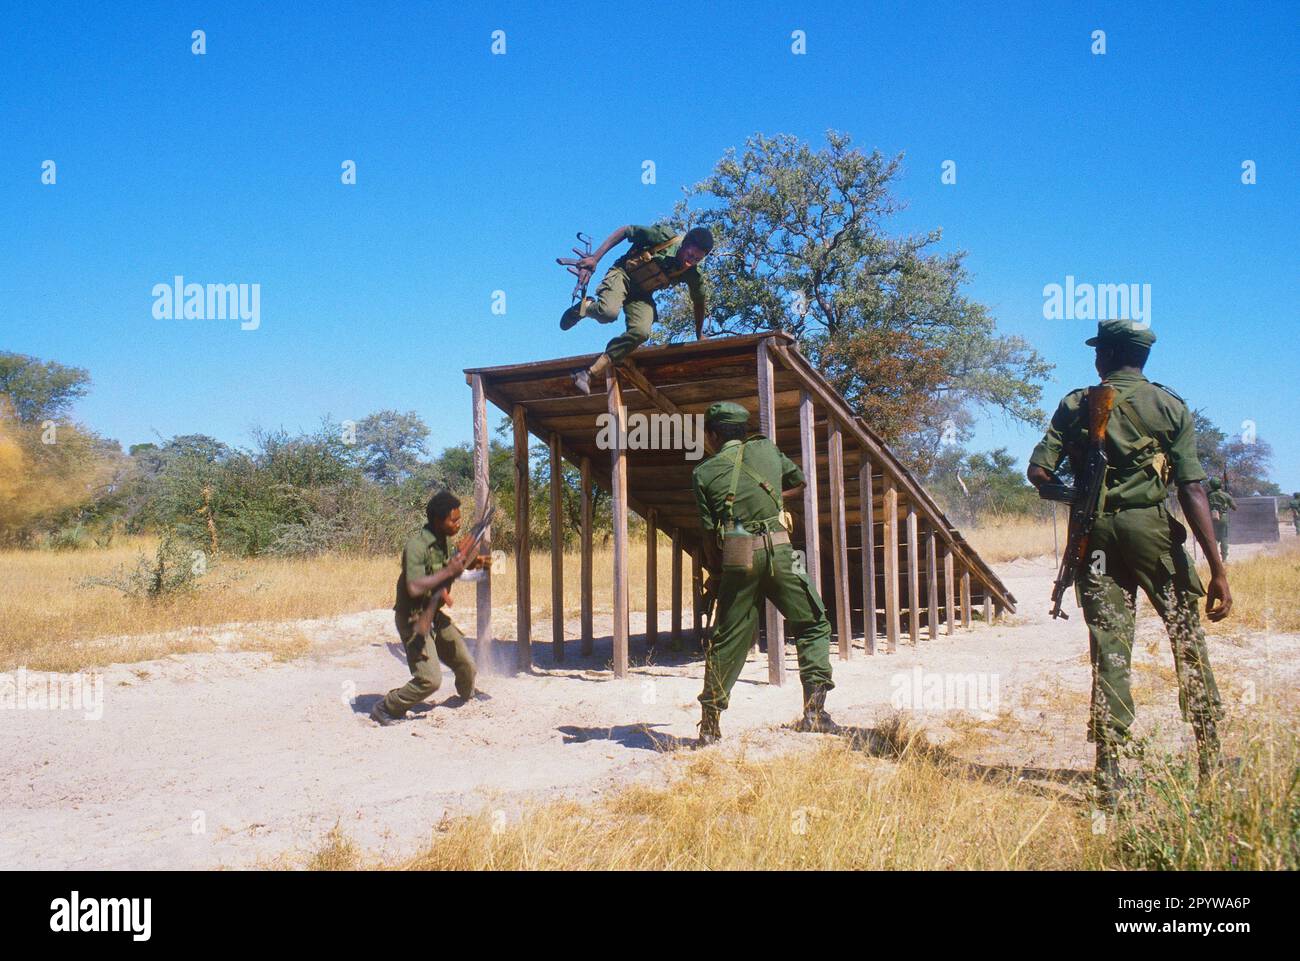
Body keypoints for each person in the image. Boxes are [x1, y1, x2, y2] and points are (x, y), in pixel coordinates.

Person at [1027, 319, 1232, 803]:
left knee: (1110, 647)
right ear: (1140, 357)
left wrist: (1081, 497)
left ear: (1110, 353)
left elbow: (1038, 473)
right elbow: (1192, 487)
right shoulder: (1169, 405)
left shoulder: (1076, 404)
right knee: (1185, 637)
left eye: (1100, 349)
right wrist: (1217, 568)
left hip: (1095, 536)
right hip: (1151, 531)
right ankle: (1209, 757)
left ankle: (1110, 773)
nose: (1095, 357)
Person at [690, 401, 835, 745]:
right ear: (742, 430)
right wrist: (774, 502)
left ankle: (710, 727)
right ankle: (815, 713)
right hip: (782, 544)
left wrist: (720, 573)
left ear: (712, 435)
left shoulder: (703, 474)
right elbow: (800, 483)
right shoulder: (767, 449)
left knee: (729, 636)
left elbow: (711, 537)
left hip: (738, 545)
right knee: (813, 621)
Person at [371, 491, 487, 726]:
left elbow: (458, 570)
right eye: (453, 520)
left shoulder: (444, 542)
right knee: (430, 680)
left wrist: (482, 558)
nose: (458, 524)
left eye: (459, 519)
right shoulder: (416, 546)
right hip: (414, 618)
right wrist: (449, 571)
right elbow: (414, 587)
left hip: (434, 614)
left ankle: (468, 696)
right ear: (437, 520)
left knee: (467, 665)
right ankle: (387, 707)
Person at [557, 223, 712, 395]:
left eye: (697, 259)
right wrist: (596, 258)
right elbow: (626, 230)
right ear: (684, 244)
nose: (690, 262)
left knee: (641, 332)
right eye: (690, 255)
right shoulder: (664, 237)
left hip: (642, 294)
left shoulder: (692, 273)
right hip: (623, 275)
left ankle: (589, 373)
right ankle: (585, 306)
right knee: (608, 313)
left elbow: (699, 301)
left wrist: (699, 333)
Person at [1206, 478, 1236, 561]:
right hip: (1223, 518)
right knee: (1224, 538)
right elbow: (1234, 507)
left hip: (1211, 518)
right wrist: (1229, 497)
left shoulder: (1208, 495)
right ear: (1220, 484)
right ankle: (1224, 559)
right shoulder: (1225, 495)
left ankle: (1214, 558)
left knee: (1214, 538)